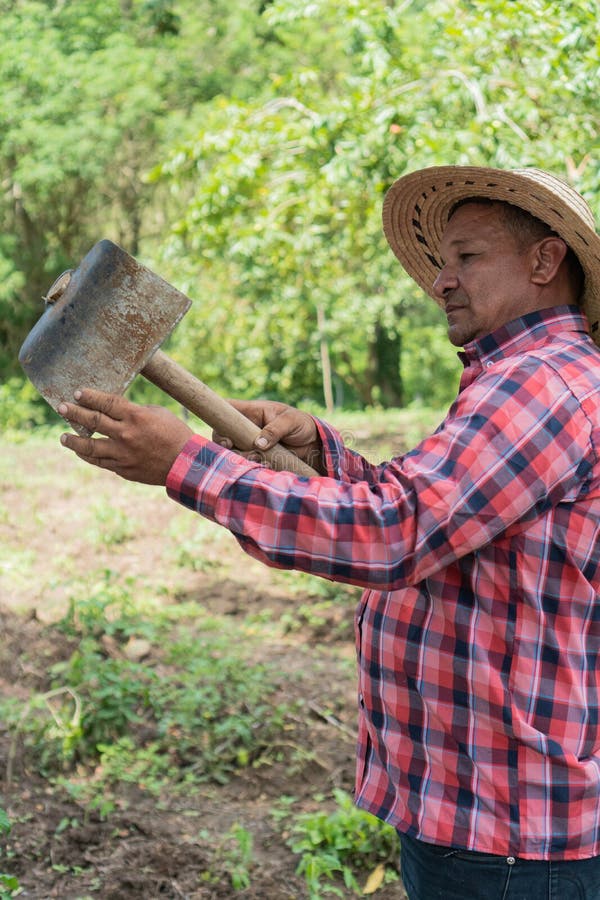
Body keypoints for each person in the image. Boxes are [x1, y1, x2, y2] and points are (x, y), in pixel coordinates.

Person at [59, 166, 600, 899]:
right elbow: (439, 517)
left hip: (509, 835)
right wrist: (319, 451)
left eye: (466, 257)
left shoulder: (543, 385)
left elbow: (395, 534)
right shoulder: (519, 379)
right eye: (442, 261)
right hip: (482, 813)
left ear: (545, 262)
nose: (442, 280)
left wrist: (185, 463)